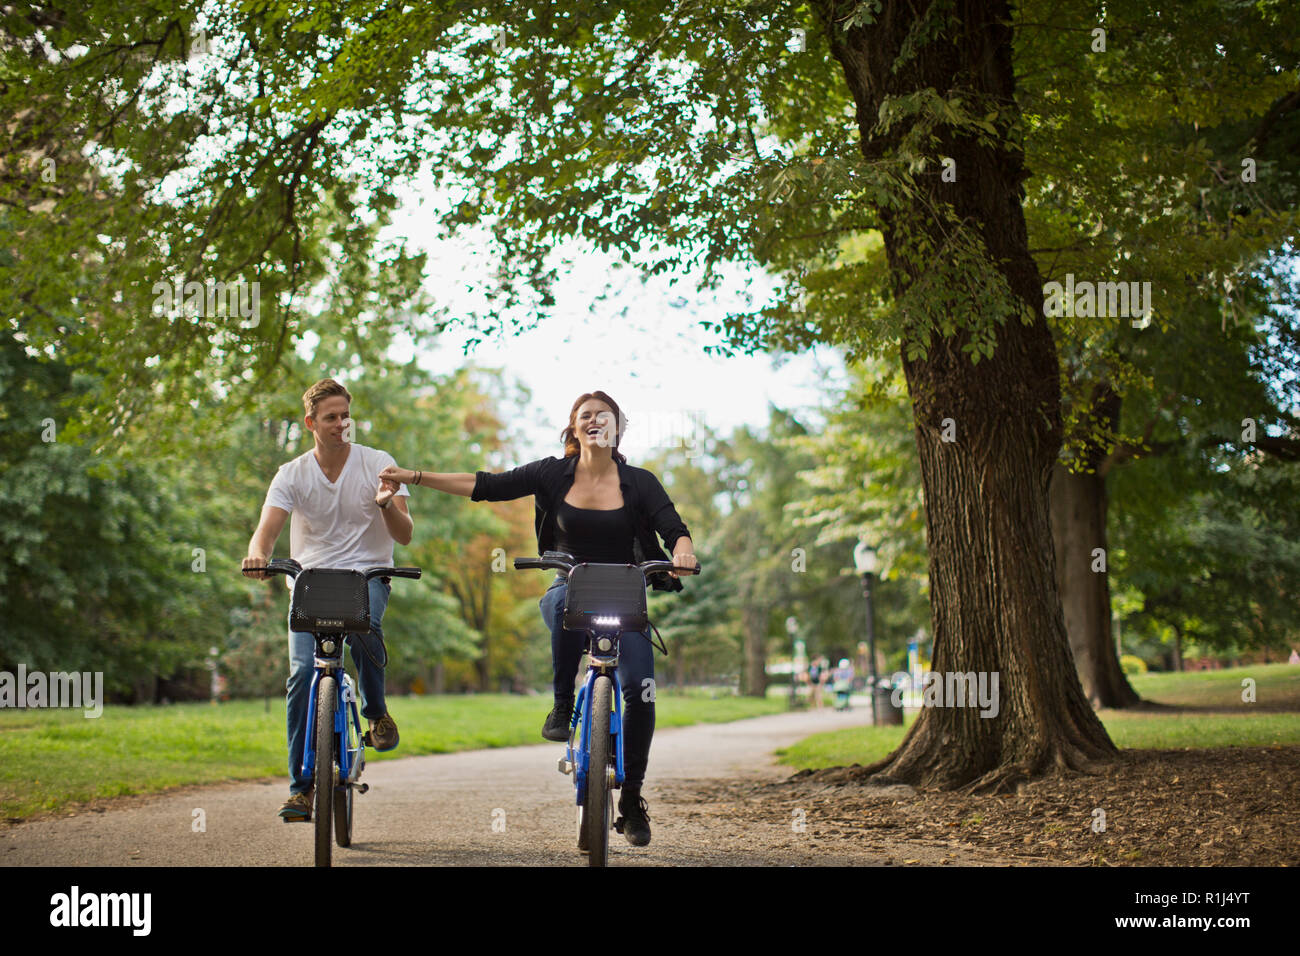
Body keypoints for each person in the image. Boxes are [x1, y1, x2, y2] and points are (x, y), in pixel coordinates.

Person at [381, 390, 698, 848]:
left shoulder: (639, 482)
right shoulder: (552, 473)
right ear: (573, 428)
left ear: (617, 428)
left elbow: (673, 527)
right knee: (561, 602)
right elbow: (486, 485)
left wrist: (682, 552)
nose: (594, 421)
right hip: (569, 585)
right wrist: (414, 476)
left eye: (603, 416)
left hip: (626, 598)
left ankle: (631, 799)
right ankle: (563, 703)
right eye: (585, 415)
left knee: (640, 692)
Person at [242, 379, 413, 822]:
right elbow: (268, 528)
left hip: (368, 575)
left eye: (345, 416)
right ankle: (301, 790)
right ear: (310, 423)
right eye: (330, 417)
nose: (341, 424)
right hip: (310, 581)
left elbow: (405, 535)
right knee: (302, 675)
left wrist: (385, 504)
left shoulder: (378, 464)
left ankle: (375, 713)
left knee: (366, 626)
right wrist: (259, 554)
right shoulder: (293, 473)